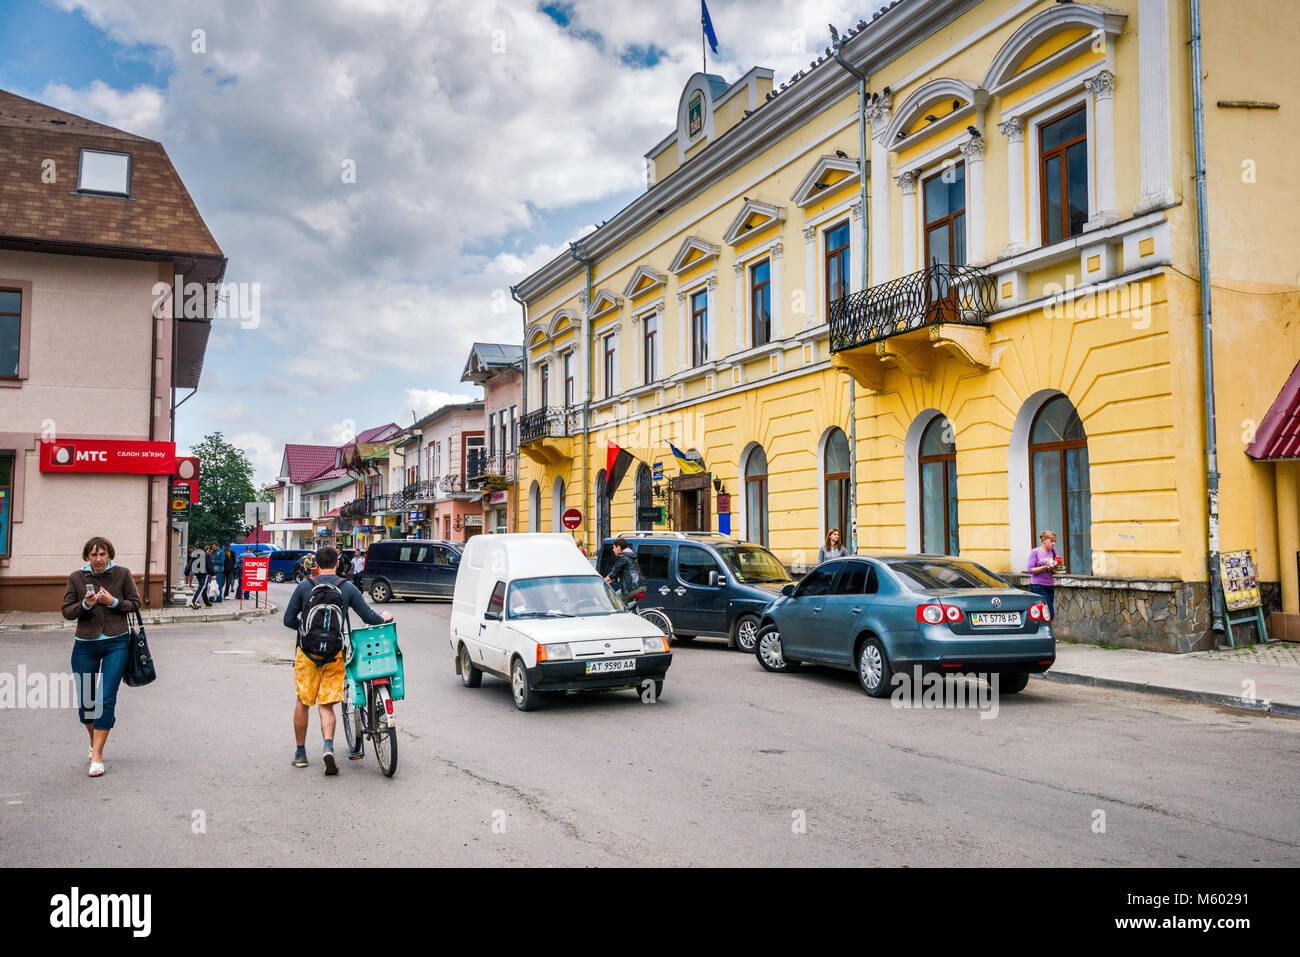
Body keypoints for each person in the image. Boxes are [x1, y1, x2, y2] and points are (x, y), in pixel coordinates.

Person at [282, 545, 392, 775]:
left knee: (303, 701)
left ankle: (300, 754)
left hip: (306, 654)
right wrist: (384, 616)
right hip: (334, 654)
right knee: (327, 704)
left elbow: (288, 619)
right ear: (337, 564)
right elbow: (369, 617)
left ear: (316, 565)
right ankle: (328, 746)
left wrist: (304, 630)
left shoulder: (304, 586)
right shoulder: (347, 588)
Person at [61, 537, 141, 777]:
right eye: (93, 555)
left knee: (106, 699)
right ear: (87, 556)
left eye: (102, 554)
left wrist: (113, 601)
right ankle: (94, 740)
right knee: (87, 704)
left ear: (109, 555)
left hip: (116, 643)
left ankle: (97, 756)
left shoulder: (122, 574)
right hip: (84, 645)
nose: (98, 559)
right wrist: (85, 605)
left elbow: (135, 605)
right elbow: (66, 612)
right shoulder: (76, 578)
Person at [1027, 529, 1062, 621]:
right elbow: (1030, 570)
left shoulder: (1053, 551)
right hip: (1038, 586)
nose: (1053, 543)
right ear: (1043, 540)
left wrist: (1057, 567)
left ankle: (1041, 632)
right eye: (1051, 541)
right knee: (1049, 613)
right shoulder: (1035, 552)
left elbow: (1056, 567)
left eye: (1055, 541)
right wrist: (1045, 567)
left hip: (1050, 585)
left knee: (1044, 614)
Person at [603, 537, 641, 606]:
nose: (613, 549)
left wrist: (603, 581)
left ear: (619, 547)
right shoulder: (630, 555)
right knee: (627, 608)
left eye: (614, 547)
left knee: (614, 601)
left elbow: (613, 574)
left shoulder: (622, 557)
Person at [189, 543, 211, 609]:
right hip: (204, 573)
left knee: (203, 587)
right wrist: (213, 574)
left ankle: (207, 603)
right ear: (204, 547)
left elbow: (190, 563)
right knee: (202, 587)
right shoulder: (207, 555)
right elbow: (210, 565)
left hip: (198, 573)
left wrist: (186, 572)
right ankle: (194, 602)